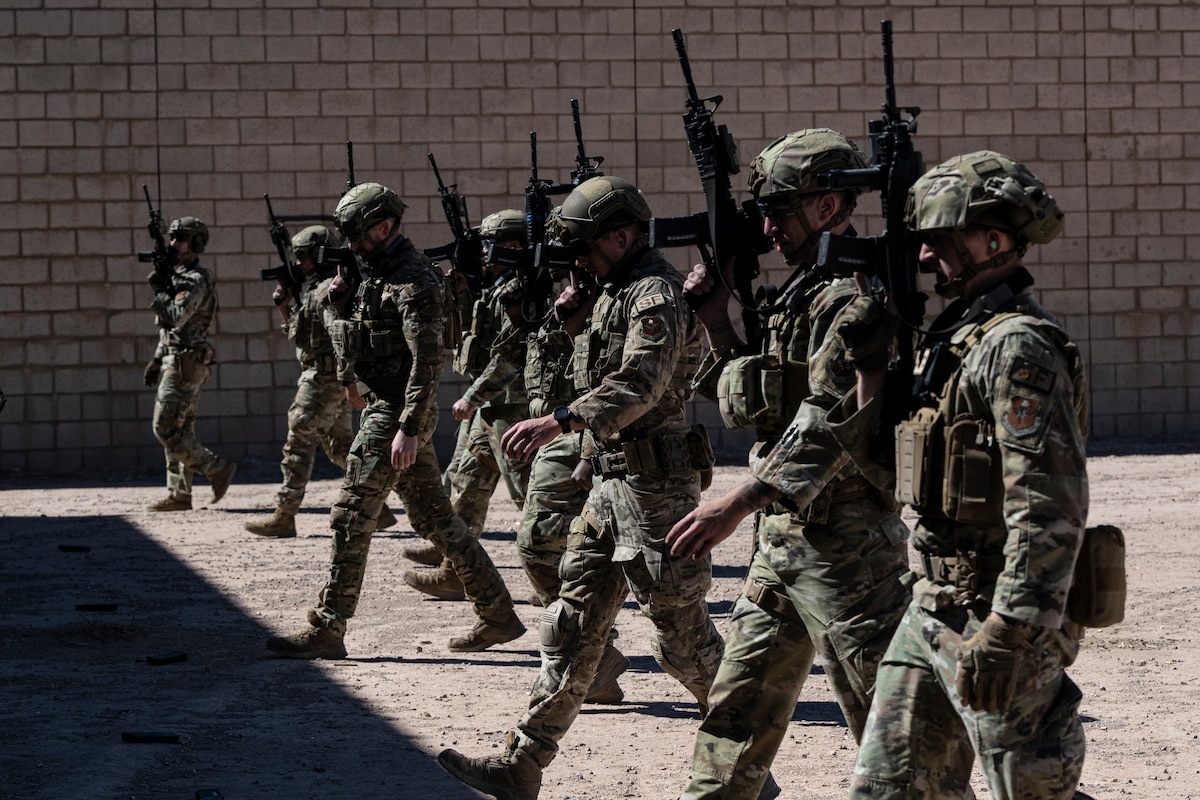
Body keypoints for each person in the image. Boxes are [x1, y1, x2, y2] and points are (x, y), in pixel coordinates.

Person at [437, 176, 724, 800]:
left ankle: (747, 764)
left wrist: (560, 422)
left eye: (587, 247)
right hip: (612, 483)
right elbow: (581, 372)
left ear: (622, 236)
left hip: (658, 494)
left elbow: (639, 384)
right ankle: (523, 763)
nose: (578, 261)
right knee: (572, 625)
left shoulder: (654, 294)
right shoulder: (608, 293)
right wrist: (589, 452)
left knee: (684, 642)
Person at [829, 151, 1087, 799]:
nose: (923, 260)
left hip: (997, 620)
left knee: (1028, 789)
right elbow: (893, 475)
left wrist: (1010, 630)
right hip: (931, 610)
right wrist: (869, 367)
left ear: (995, 240)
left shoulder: (1018, 346)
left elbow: (1049, 508)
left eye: (939, 241)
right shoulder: (953, 341)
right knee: (886, 789)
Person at [665, 129, 913, 800]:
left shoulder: (850, 299)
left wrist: (735, 503)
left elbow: (831, 421)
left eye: (781, 209)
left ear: (829, 207)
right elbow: (760, 406)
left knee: (900, 752)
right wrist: (718, 322)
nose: (768, 226)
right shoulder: (800, 294)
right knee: (733, 721)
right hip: (783, 543)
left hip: (848, 555)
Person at [264, 182, 525, 659]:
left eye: (359, 233)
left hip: (396, 413)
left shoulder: (413, 279)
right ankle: (499, 614)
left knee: (349, 516)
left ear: (385, 226)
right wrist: (341, 308)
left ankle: (328, 626)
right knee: (436, 520)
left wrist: (409, 426)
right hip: (387, 408)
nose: (352, 243)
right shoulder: (373, 274)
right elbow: (360, 342)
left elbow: (429, 363)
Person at [403, 209, 533, 598]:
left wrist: (473, 396)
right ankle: (454, 569)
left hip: (514, 409)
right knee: (464, 486)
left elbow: (512, 353)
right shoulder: (495, 287)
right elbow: (469, 338)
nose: (483, 253)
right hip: (490, 412)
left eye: (490, 245)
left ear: (512, 246)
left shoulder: (524, 290)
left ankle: (560, 582)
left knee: (532, 501)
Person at [243, 225, 396, 539]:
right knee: (342, 448)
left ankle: (284, 515)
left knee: (298, 443)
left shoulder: (329, 289)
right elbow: (301, 336)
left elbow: (341, 336)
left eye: (303, 256)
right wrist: (285, 306)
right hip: (331, 380)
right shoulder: (317, 289)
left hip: (323, 381)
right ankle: (377, 506)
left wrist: (349, 381)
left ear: (320, 254)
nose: (298, 263)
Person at [143, 216, 237, 512]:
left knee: (166, 427)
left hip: (186, 362)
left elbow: (175, 316)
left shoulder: (195, 279)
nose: (173, 243)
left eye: (180, 238)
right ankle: (179, 493)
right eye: (171, 237)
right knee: (181, 429)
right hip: (177, 358)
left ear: (195, 243)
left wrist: (159, 291)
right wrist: (157, 359)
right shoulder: (179, 276)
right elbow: (170, 330)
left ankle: (215, 468)